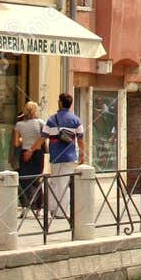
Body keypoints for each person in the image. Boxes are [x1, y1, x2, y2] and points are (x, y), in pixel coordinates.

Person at [44, 92, 85, 222]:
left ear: (61, 103)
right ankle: (61, 211)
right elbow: (81, 138)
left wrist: (32, 149)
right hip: (69, 157)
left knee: (55, 183)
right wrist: (82, 154)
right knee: (64, 184)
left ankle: (54, 210)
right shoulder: (76, 120)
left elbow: (43, 136)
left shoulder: (51, 120)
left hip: (55, 156)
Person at [12, 100, 46, 214]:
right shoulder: (41, 123)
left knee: (24, 180)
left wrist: (24, 139)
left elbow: (16, 143)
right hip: (37, 153)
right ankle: (39, 207)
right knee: (37, 180)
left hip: (24, 153)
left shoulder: (19, 125)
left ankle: (25, 207)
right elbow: (43, 138)